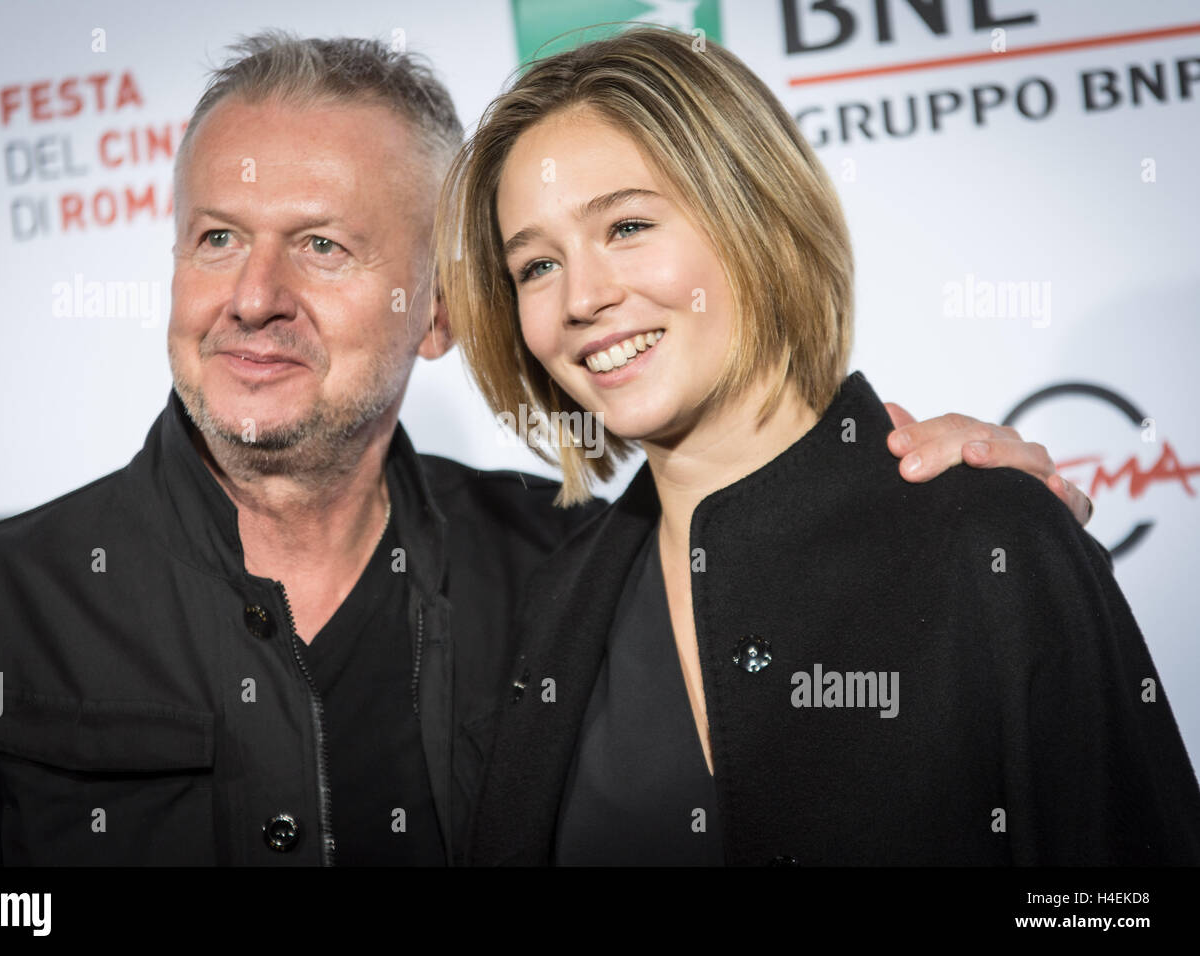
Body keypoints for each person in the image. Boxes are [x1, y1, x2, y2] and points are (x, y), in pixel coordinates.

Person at [0, 32, 1089, 867]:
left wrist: (934, 504)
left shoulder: (577, 573)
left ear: (437, 313)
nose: (253, 295)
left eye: (322, 246)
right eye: (217, 236)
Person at [438, 26, 1200, 865]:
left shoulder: (990, 538)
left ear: (755, 215)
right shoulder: (552, 609)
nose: (581, 297)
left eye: (625, 227)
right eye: (536, 267)